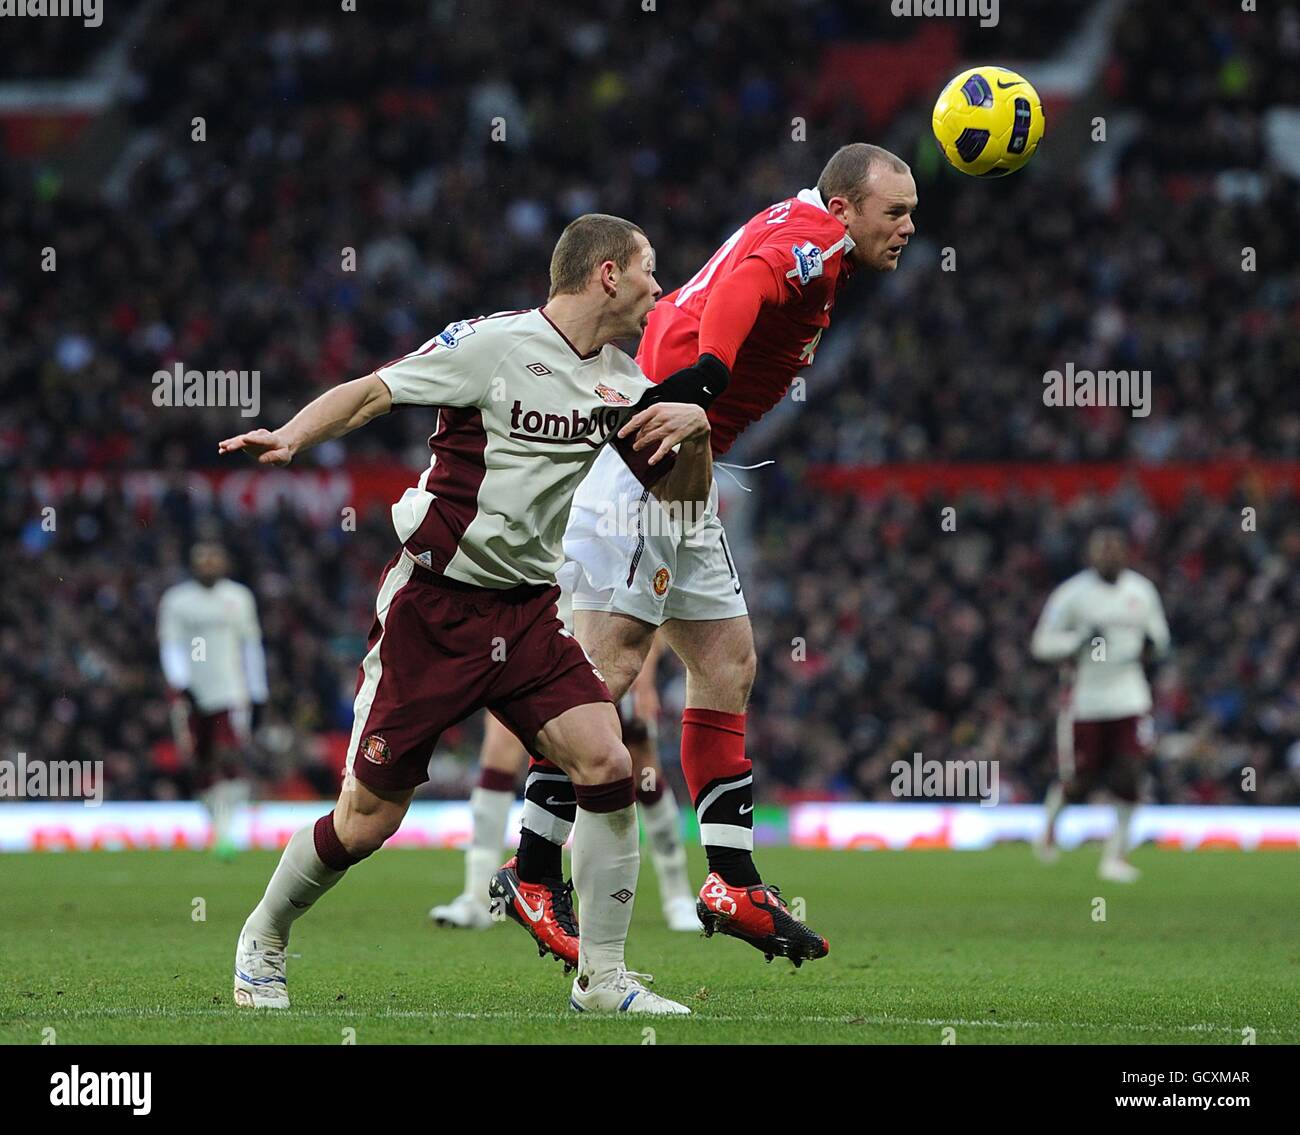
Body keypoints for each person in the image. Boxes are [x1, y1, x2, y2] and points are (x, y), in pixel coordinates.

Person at [223, 214, 714, 1014]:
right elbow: (374, 392)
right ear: (608, 276)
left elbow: (683, 505)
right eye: (650, 270)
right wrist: (292, 434)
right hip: (434, 610)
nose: (661, 287)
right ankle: (264, 935)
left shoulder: (626, 384)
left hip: (528, 613)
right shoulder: (492, 344)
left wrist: (694, 433)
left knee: (608, 762)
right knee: (365, 820)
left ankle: (603, 978)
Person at [505, 143, 917, 967]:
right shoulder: (818, 241)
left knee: (727, 661)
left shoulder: (807, 232)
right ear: (846, 209)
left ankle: (731, 877)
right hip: (650, 457)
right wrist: (705, 382)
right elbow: (740, 287)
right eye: (895, 211)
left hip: (686, 470)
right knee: (607, 671)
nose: (908, 226)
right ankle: (533, 867)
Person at [430, 629, 700, 933]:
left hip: (603, 649)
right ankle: (479, 897)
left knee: (642, 765)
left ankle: (677, 895)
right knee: (499, 748)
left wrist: (645, 672)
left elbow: (650, 605)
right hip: (535, 645)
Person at [1030, 527, 1171, 882]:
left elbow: (1161, 637)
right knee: (1079, 779)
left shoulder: (1141, 591)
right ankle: (1048, 829)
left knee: (1130, 775)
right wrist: (1078, 639)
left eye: (1116, 551)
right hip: (1086, 700)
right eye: (1103, 551)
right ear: (1090, 556)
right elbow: (1041, 644)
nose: (1110, 557)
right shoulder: (1073, 595)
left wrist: (1152, 646)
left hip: (1130, 697)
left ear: (1126, 554)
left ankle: (1116, 856)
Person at [158, 541, 267, 858]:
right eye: (202, 558)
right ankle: (217, 824)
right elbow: (171, 646)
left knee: (228, 755)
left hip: (231, 692)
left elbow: (250, 646)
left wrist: (258, 692)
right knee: (199, 761)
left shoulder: (238, 598)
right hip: (192, 694)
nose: (208, 564)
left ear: (224, 562)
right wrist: (181, 685)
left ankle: (227, 829)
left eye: (213, 558)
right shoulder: (178, 601)